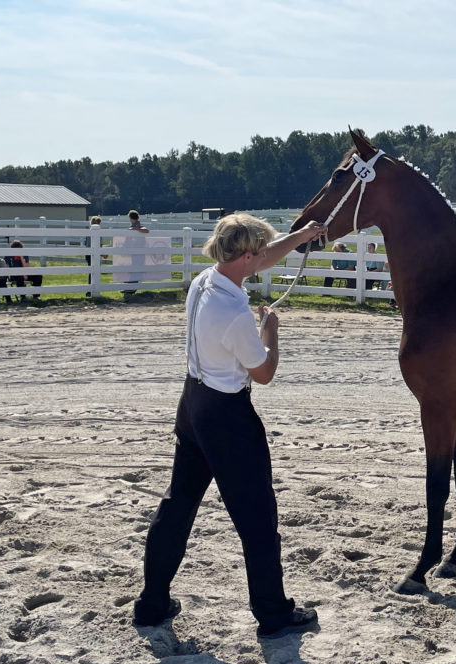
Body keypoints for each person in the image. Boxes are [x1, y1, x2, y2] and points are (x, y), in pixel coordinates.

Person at [133, 213, 328, 638]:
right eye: (260, 251)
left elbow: (262, 258)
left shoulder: (206, 279)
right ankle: (273, 614)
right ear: (248, 254)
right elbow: (264, 373)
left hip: (193, 404)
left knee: (178, 504)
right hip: (228, 416)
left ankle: (152, 603)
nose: (263, 259)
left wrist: (301, 236)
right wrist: (270, 331)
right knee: (257, 517)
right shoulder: (237, 313)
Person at [123, 210, 149, 296]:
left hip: (138, 251)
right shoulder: (133, 226)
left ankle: (131, 288)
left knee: (135, 270)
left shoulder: (137, 226)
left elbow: (146, 230)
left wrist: (136, 229)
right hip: (134, 251)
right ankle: (129, 287)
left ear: (131, 218)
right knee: (132, 269)